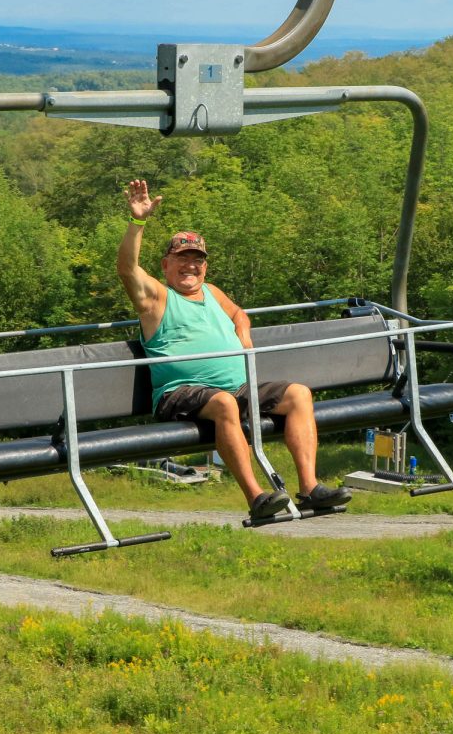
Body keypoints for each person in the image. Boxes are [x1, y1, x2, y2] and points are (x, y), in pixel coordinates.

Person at [116, 179, 351, 519]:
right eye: (181, 259)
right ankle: (256, 498)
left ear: (205, 266)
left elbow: (238, 312)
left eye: (197, 260)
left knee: (299, 394)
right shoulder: (157, 298)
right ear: (166, 265)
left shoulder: (211, 292)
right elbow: (126, 268)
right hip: (180, 394)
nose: (190, 266)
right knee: (224, 403)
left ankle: (310, 487)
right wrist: (138, 221)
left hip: (235, 389)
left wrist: (242, 327)